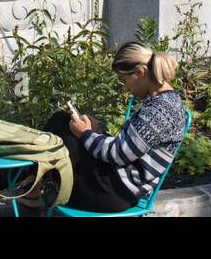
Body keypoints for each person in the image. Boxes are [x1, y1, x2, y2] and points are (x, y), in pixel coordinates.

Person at [44, 41, 188, 212]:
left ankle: (27, 184)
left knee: (61, 124)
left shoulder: (160, 110)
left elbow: (119, 154)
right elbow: (129, 149)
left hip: (112, 192)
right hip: (116, 186)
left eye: (123, 79)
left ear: (139, 73)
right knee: (63, 121)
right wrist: (95, 131)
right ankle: (31, 183)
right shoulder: (164, 102)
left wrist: (85, 134)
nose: (125, 87)